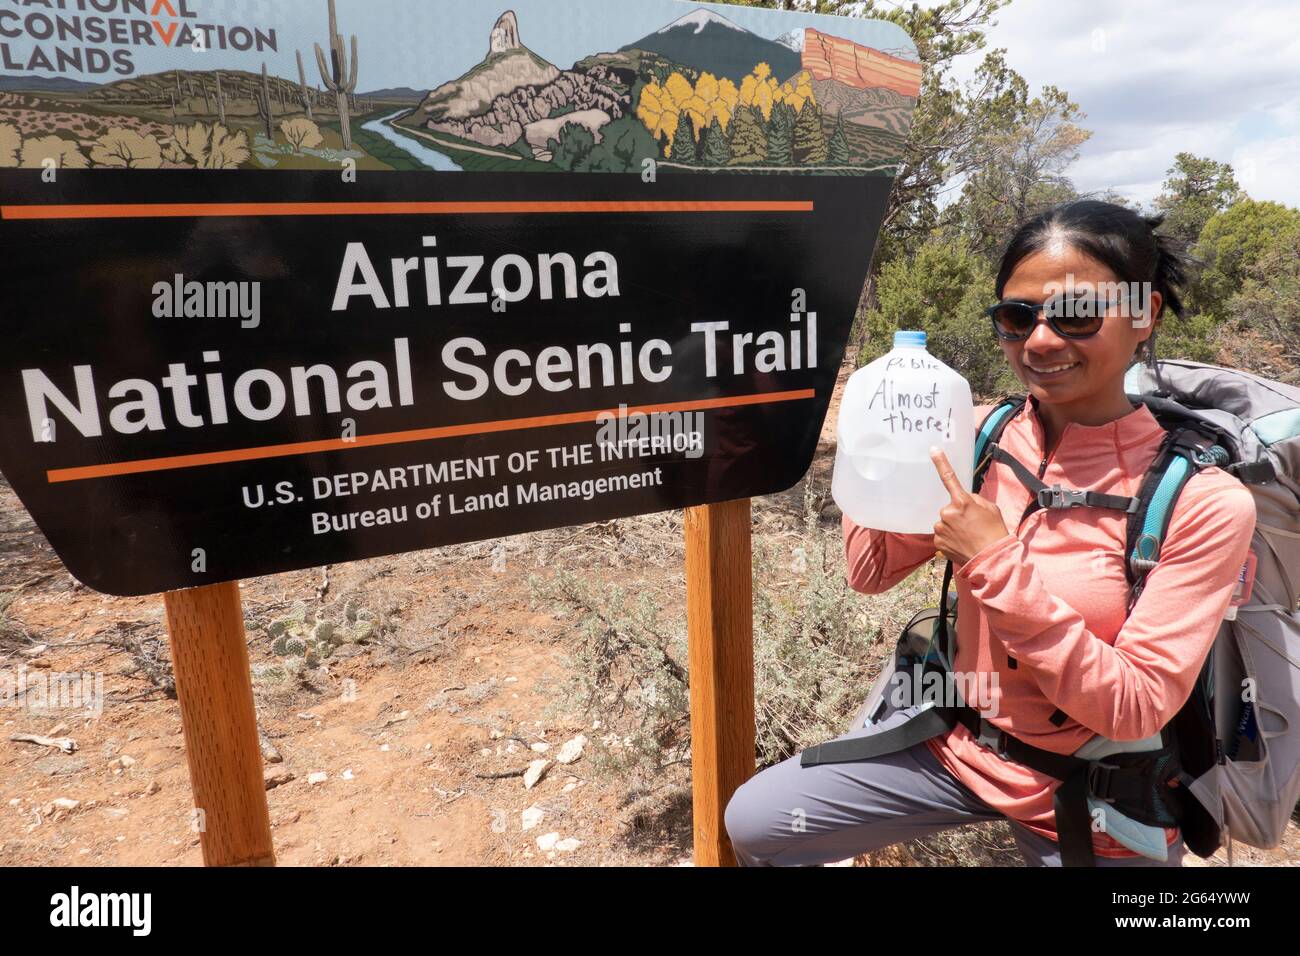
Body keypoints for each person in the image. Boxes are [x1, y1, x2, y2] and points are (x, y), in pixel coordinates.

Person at [723, 200, 1258, 866]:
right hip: (959, 745)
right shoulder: (980, 435)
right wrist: (877, 436)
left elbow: (1135, 707)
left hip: (1093, 797)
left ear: (1144, 313)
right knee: (759, 822)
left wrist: (995, 562)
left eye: (1077, 313)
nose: (1039, 340)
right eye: (1017, 316)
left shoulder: (1203, 502)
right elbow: (871, 571)